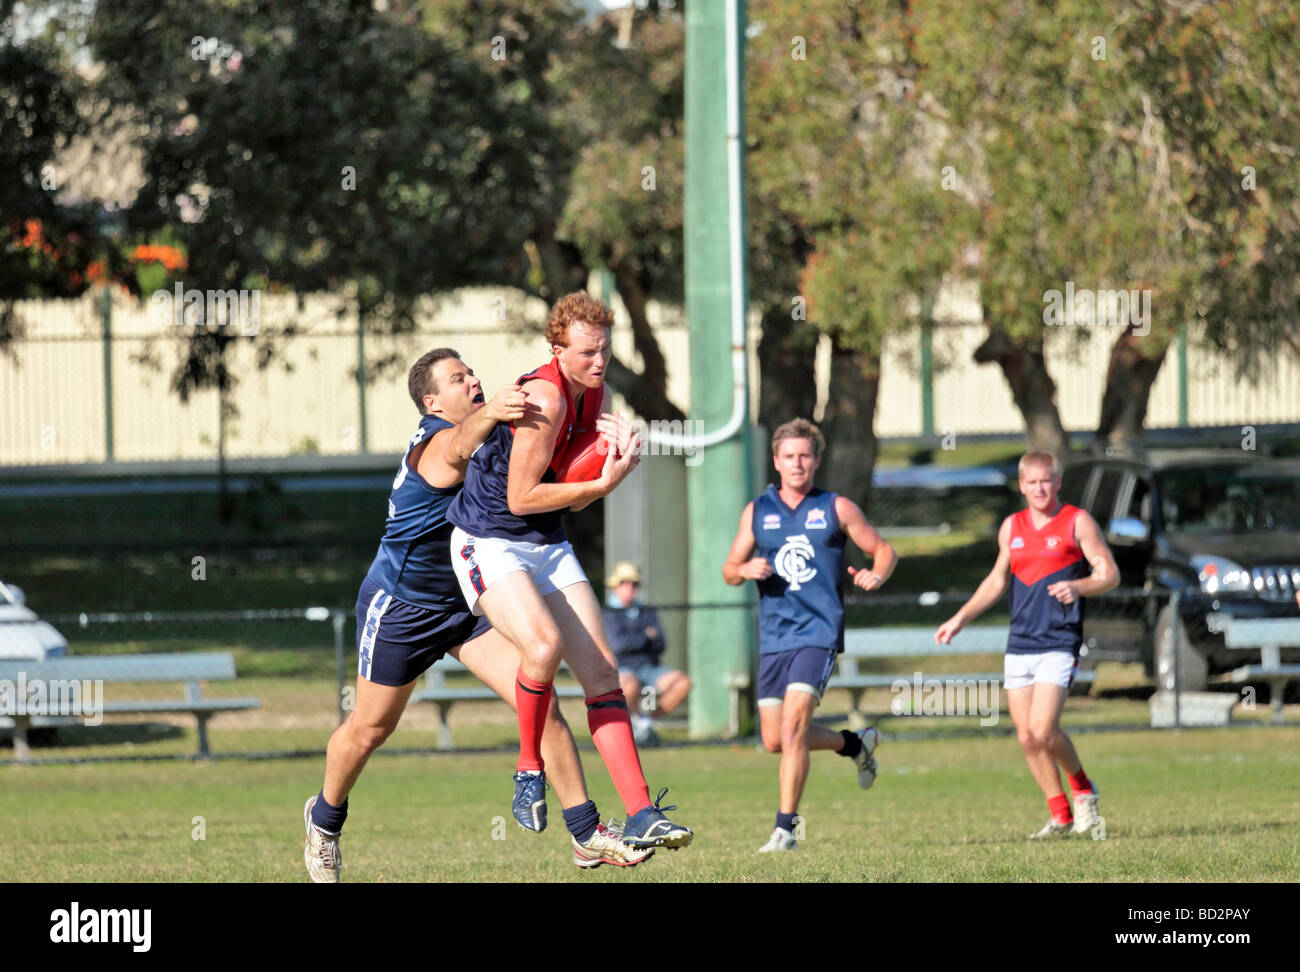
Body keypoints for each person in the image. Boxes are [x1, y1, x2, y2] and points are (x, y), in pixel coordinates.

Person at [303, 348, 654, 883]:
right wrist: (491, 413)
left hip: (470, 600)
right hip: (403, 606)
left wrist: (601, 452)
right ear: (431, 401)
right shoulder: (435, 443)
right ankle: (324, 820)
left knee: (538, 693)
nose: (472, 381)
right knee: (370, 728)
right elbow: (459, 446)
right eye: (457, 379)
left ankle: (585, 834)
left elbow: (537, 489)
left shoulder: (498, 434)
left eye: (471, 373)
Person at [447, 291, 693, 850]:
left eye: (604, 350)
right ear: (556, 350)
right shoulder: (546, 399)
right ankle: (528, 768)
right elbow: (520, 497)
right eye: (586, 352)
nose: (598, 362)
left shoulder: (596, 393)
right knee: (543, 645)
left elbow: (569, 501)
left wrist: (613, 469)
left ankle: (641, 812)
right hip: (489, 539)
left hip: (544, 539)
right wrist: (603, 483)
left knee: (604, 673)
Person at [722, 418, 895, 853]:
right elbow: (728, 569)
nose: (797, 463)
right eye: (788, 456)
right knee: (776, 739)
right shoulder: (756, 511)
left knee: (796, 723)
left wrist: (877, 573)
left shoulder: (836, 507)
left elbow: (884, 549)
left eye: (804, 456)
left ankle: (786, 830)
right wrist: (743, 570)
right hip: (775, 635)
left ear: (816, 461)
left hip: (818, 632)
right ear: (776, 462)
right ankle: (854, 744)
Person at [934, 451, 1118, 838]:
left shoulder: (1076, 521)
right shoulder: (1011, 527)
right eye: (1032, 482)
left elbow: (1109, 573)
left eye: (1046, 480)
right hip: (1020, 643)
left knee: (1043, 729)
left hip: (1059, 641)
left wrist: (1079, 585)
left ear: (1057, 482)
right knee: (1026, 736)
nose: (1039, 488)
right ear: (1021, 486)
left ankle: (1084, 789)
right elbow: (997, 580)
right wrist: (960, 618)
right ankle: (1061, 815)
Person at [603, 561, 691, 746]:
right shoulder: (609, 612)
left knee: (683, 683)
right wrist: (645, 636)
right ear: (616, 586)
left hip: (648, 667)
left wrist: (638, 639)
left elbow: (660, 644)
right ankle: (636, 723)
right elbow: (618, 645)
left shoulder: (646, 610)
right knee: (629, 685)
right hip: (623, 668)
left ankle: (646, 722)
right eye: (625, 583)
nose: (630, 587)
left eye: (633, 583)